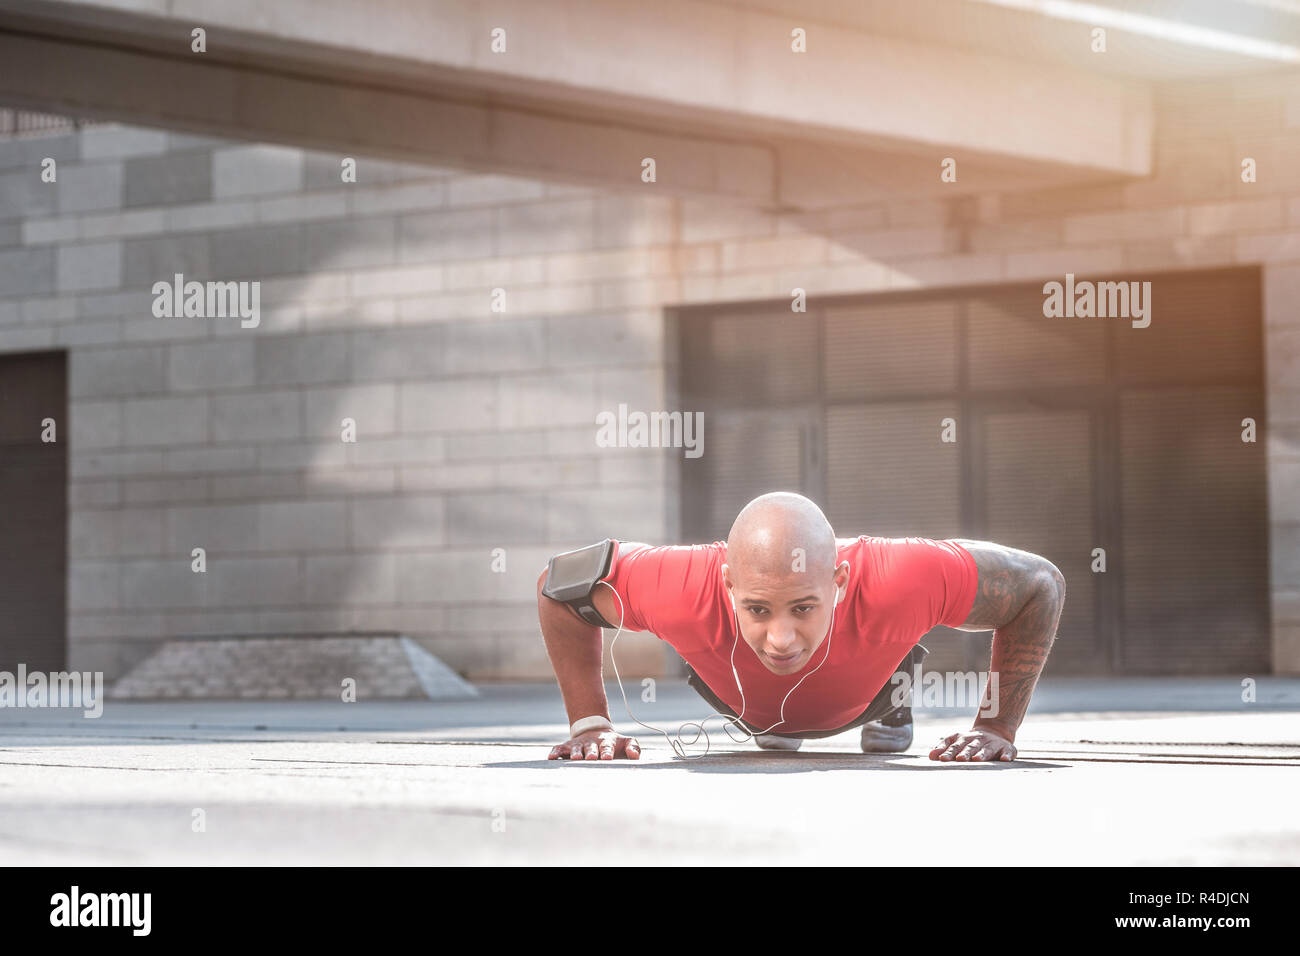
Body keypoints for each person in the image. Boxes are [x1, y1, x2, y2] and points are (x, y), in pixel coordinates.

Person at [539, 491, 1065, 762]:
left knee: (882, 647)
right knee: (772, 723)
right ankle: (773, 724)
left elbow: (1041, 584)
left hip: (870, 691)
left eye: (804, 607)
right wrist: (590, 724)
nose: (781, 639)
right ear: (728, 585)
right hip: (748, 706)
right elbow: (555, 589)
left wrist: (996, 727)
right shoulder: (682, 584)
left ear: (839, 581)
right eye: (758, 610)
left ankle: (892, 702)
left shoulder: (900, 576)